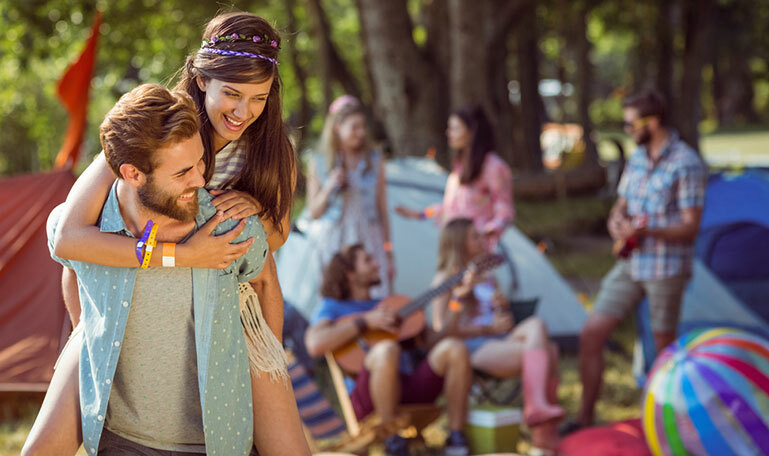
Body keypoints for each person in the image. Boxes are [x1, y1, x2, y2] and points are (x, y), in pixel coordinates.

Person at [23, 12, 306, 455]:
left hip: (223, 295)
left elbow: (278, 234)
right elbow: (69, 237)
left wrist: (252, 213)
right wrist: (181, 254)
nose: (242, 111)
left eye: (259, 98)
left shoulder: (272, 151)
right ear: (200, 78)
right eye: (231, 93)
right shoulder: (156, 130)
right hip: (123, 289)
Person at [572, 89, 707, 430]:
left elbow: (691, 226)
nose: (627, 129)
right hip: (630, 263)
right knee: (591, 334)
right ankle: (585, 419)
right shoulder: (636, 158)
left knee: (662, 352)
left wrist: (648, 232)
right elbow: (621, 205)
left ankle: (666, 428)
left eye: (631, 123)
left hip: (667, 268)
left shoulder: (685, 162)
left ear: (653, 122)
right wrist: (617, 223)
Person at [304, 244, 472, 456]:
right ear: (350, 274)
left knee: (454, 348)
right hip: (367, 398)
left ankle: (456, 438)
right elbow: (314, 343)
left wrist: (457, 300)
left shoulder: (391, 304)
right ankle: (393, 441)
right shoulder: (333, 307)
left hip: (407, 388)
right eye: (368, 261)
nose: (377, 265)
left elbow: (436, 340)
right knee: (386, 349)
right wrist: (365, 322)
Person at [430, 218, 563, 454]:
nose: (482, 241)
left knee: (536, 325)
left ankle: (537, 410)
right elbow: (442, 331)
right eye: (475, 237)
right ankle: (543, 436)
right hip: (470, 347)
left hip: (498, 340)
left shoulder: (490, 277)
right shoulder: (446, 280)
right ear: (459, 243)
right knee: (549, 352)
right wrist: (474, 314)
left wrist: (502, 310)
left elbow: (503, 323)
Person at [302, 95, 394, 304]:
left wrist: (389, 252)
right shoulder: (319, 162)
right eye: (354, 127)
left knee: (375, 293)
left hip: (369, 236)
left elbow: (382, 209)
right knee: (336, 294)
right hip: (335, 238)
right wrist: (330, 186)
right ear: (337, 127)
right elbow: (314, 212)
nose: (361, 133)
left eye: (363, 127)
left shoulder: (374, 160)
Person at [396, 106, 514, 250]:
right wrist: (420, 214)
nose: (448, 133)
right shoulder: (460, 167)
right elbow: (450, 209)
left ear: (471, 132)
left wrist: (485, 232)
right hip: (454, 247)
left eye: (455, 128)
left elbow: (505, 211)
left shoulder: (493, 167)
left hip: (476, 249)